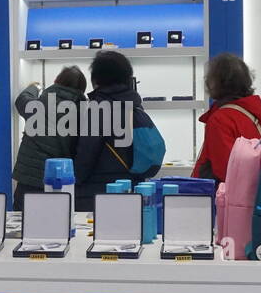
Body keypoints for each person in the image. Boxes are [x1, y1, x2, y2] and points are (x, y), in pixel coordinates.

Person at [72, 50, 161, 211]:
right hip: (133, 189)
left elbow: (86, 154)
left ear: (96, 79)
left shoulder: (99, 109)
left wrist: (73, 180)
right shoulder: (135, 107)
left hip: (98, 194)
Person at [11, 66, 87, 211]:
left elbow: (21, 99)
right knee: (57, 225)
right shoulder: (82, 113)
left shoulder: (39, 104)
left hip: (29, 180)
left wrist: (35, 86)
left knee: (24, 225)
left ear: (56, 81)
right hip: (60, 181)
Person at [192, 52, 261, 182]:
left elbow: (224, 168)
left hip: (225, 196)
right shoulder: (258, 112)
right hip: (256, 189)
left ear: (216, 83)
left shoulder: (220, 119)